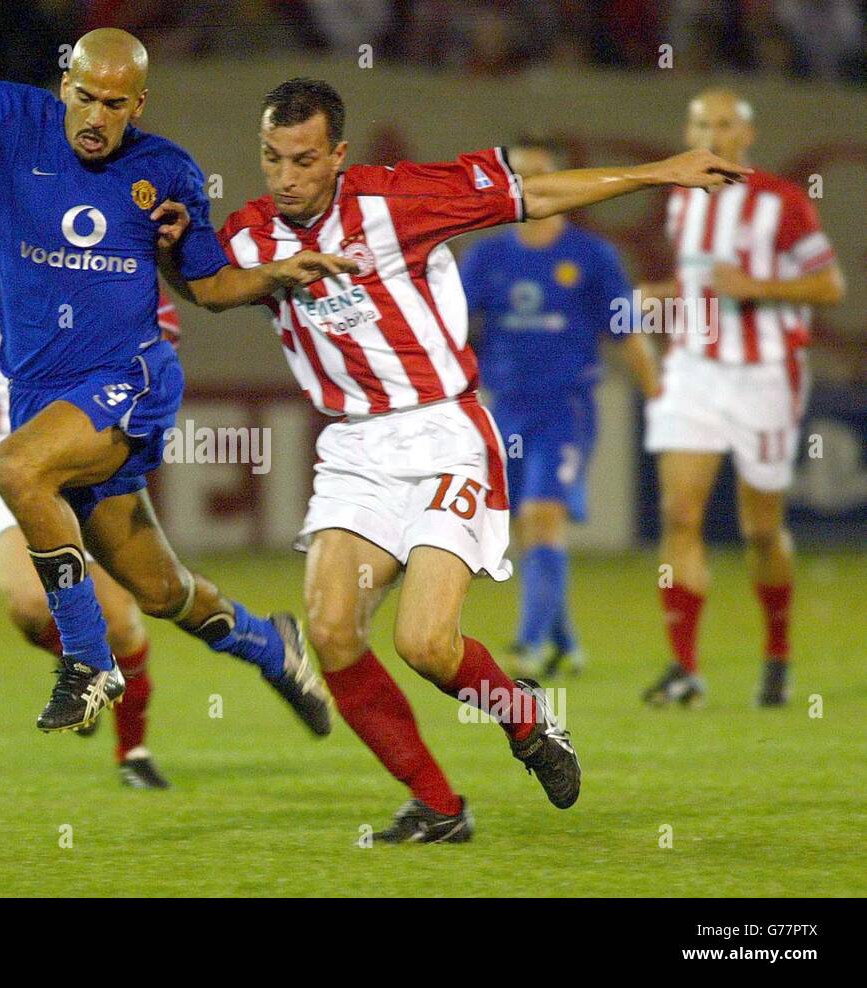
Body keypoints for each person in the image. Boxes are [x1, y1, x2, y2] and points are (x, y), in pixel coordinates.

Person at [208, 77, 749, 842]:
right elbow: (206, 286)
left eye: (303, 160)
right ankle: (438, 806)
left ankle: (526, 718)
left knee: (426, 645)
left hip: (443, 435)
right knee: (330, 632)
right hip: (355, 447)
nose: (286, 177)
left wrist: (658, 170)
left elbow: (534, 193)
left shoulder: (401, 200)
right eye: (271, 159)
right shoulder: (249, 234)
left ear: (338, 154)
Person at [0, 29, 355, 735]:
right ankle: (273, 646)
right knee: (160, 590)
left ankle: (89, 662)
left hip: (130, 379)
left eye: (115, 104)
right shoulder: (4, 123)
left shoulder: (167, 171)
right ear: (65, 87)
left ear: (138, 103)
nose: (96, 116)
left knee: (16, 469)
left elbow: (206, 283)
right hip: (42, 397)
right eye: (85, 97)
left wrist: (273, 276)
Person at [0, 222, 179, 787]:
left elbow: (164, 330)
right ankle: (84, 664)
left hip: (81, 449)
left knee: (124, 623)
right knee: (29, 605)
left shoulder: (96, 246)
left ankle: (134, 756)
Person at [638, 89, 844, 708]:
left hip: (765, 376)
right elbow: (697, 282)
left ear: (746, 136)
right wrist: (663, 294)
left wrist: (756, 284)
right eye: (702, 123)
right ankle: (684, 670)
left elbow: (829, 285)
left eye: (724, 125)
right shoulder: (682, 199)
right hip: (694, 370)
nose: (712, 134)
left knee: (761, 529)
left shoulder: (781, 203)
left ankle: (777, 654)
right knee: (680, 516)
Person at [458, 135, 660, 677]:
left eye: (542, 174)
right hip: (504, 409)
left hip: (565, 406)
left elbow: (625, 330)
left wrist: (657, 394)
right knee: (527, 532)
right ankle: (565, 644)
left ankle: (526, 648)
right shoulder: (486, 258)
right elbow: (449, 327)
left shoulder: (591, 257)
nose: (532, 187)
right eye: (520, 177)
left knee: (542, 518)